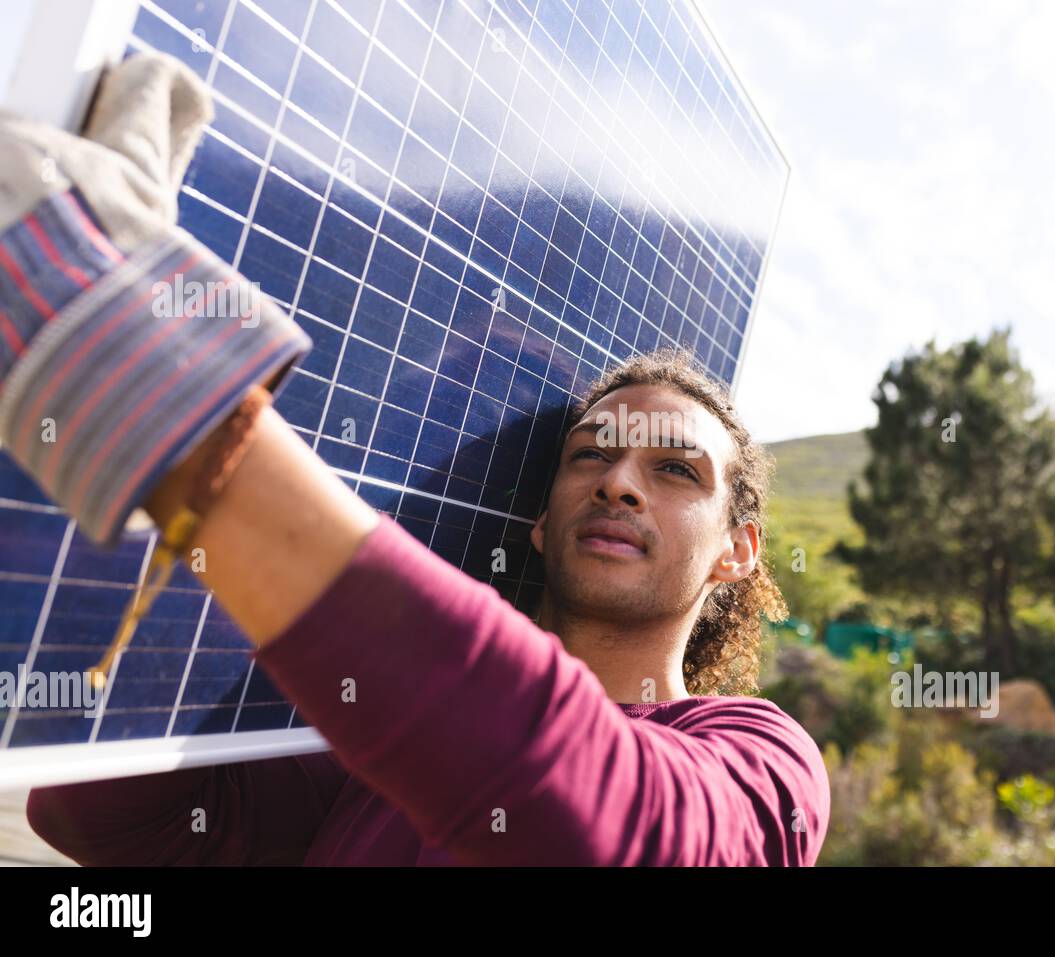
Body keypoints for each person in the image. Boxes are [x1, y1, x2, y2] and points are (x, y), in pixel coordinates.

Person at [7, 53, 829, 866]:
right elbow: (121, 823)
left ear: (738, 548)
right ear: (539, 525)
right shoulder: (372, 744)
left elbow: (614, 825)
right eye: (589, 455)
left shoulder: (762, 760)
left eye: (677, 470)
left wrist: (125, 353)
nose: (618, 481)